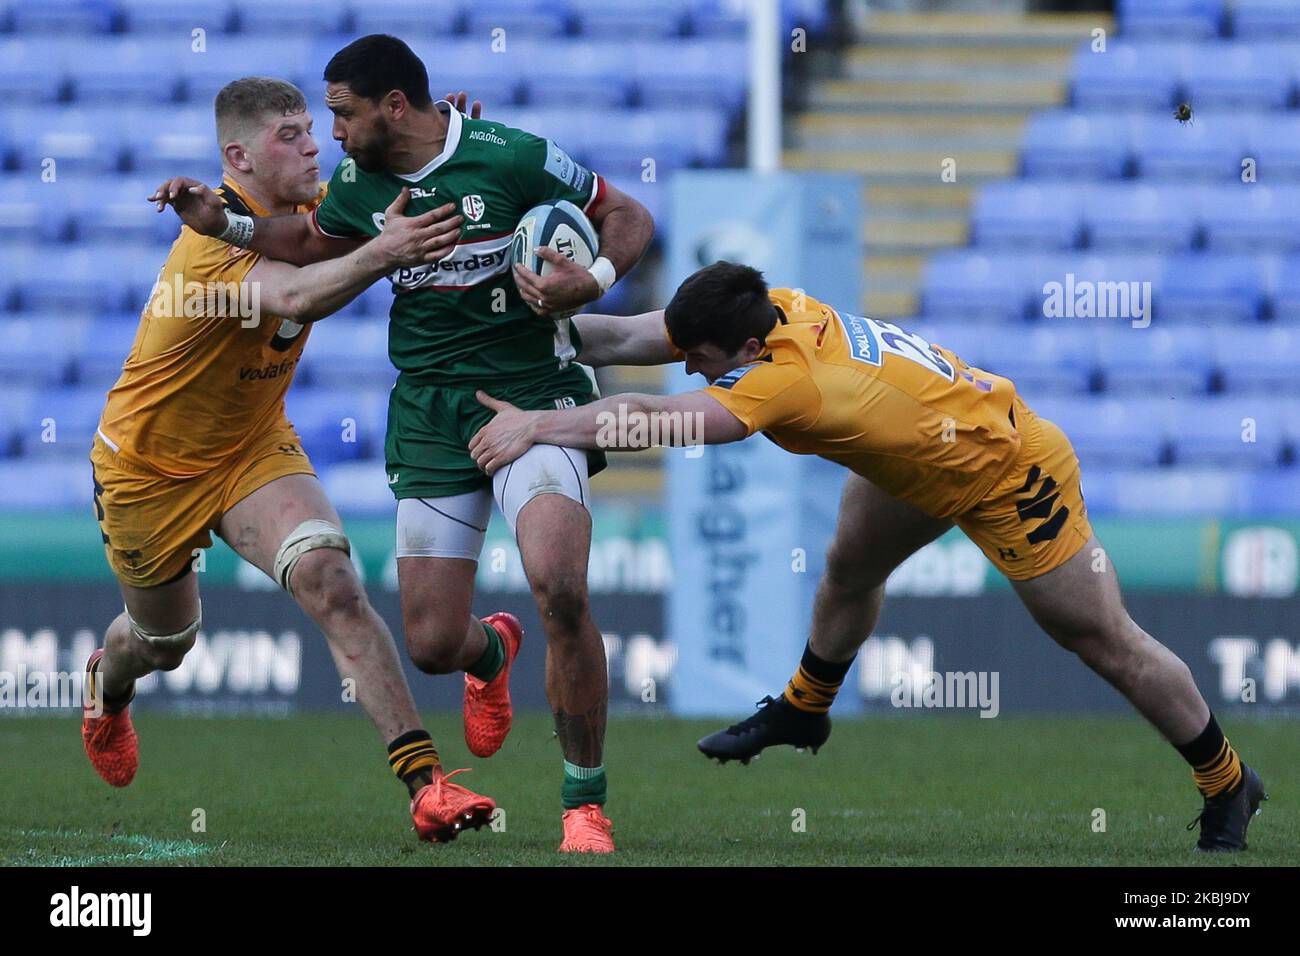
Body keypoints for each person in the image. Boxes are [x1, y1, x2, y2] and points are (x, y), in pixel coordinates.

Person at [467, 261, 1269, 853]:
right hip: (924, 449)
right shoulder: (769, 308)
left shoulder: (786, 386)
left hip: (1004, 466)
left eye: (703, 360)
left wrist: (536, 426)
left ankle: (1228, 781)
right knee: (850, 566)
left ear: (745, 347)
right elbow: (640, 336)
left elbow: (651, 420)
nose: (689, 366)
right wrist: (534, 323)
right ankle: (805, 709)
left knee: (1102, 641)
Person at [152, 36, 655, 852]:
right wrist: (230, 223)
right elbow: (311, 249)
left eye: (344, 115)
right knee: (428, 645)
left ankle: (584, 803)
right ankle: (491, 651)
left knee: (559, 584)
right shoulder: (359, 184)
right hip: (427, 412)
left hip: (528, 393)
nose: (332, 135)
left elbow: (628, 214)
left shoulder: (512, 156)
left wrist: (588, 279)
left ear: (394, 106)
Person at [90, 76, 496, 845]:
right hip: (147, 470)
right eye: (290, 135)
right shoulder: (211, 240)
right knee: (163, 646)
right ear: (237, 156)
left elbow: (397, 188)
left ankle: (427, 786)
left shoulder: (323, 204)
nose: (313, 144)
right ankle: (106, 691)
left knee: (333, 582)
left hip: (250, 447)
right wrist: (385, 251)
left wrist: (444, 152)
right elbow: (303, 294)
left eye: (313, 128)